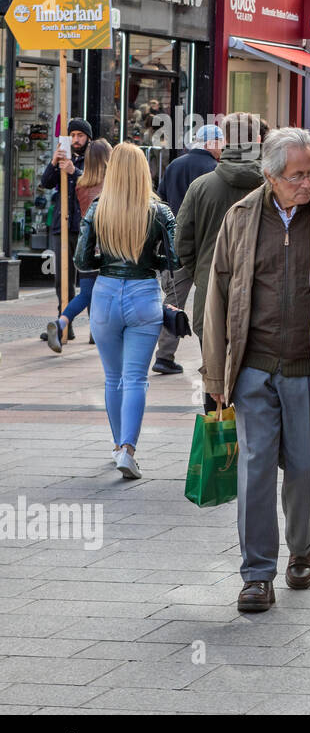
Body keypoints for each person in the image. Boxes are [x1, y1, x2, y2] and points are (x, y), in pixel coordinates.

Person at [202, 127, 310, 613]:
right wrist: (215, 375)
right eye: (297, 175)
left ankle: (301, 548)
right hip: (253, 370)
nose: (307, 183)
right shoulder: (239, 218)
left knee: (305, 469)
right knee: (255, 471)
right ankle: (257, 574)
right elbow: (216, 294)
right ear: (271, 176)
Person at [76, 143, 179, 479]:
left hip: (105, 293)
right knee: (136, 378)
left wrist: (106, 261)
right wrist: (150, 259)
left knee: (112, 378)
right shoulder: (159, 211)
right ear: (142, 170)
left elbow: (81, 260)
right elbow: (176, 259)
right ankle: (128, 450)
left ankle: (117, 444)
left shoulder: (97, 209)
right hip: (143, 293)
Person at [174, 113, 267, 358]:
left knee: (213, 375)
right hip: (264, 296)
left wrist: (202, 272)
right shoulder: (274, 187)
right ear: (257, 140)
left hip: (212, 289)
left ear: (224, 141)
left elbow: (182, 241)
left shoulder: (201, 186)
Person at [152, 124, 224, 375]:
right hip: (206, 247)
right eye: (221, 143)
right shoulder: (215, 170)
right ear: (211, 143)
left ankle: (164, 355)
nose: (223, 148)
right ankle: (212, 361)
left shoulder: (174, 165)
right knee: (211, 304)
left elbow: (160, 200)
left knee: (173, 300)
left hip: (176, 246)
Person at [46, 138, 111, 353]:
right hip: (105, 247)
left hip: (86, 244)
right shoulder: (108, 184)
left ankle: (61, 322)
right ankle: (100, 332)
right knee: (104, 294)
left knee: (86, 293)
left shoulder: (81, 184)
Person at [41, 117, 92, 341]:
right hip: (62, 226)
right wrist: (54, 163)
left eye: (80, 135)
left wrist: (75, 172)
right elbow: (46, 182)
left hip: (86, 228)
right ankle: (64, 326)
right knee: (63, 280)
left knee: (90, 280)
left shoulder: (94, 158)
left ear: (88, 137)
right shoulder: (64, 157)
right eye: (72, 135)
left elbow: (97, 183)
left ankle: (96, 330)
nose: (76, 139)